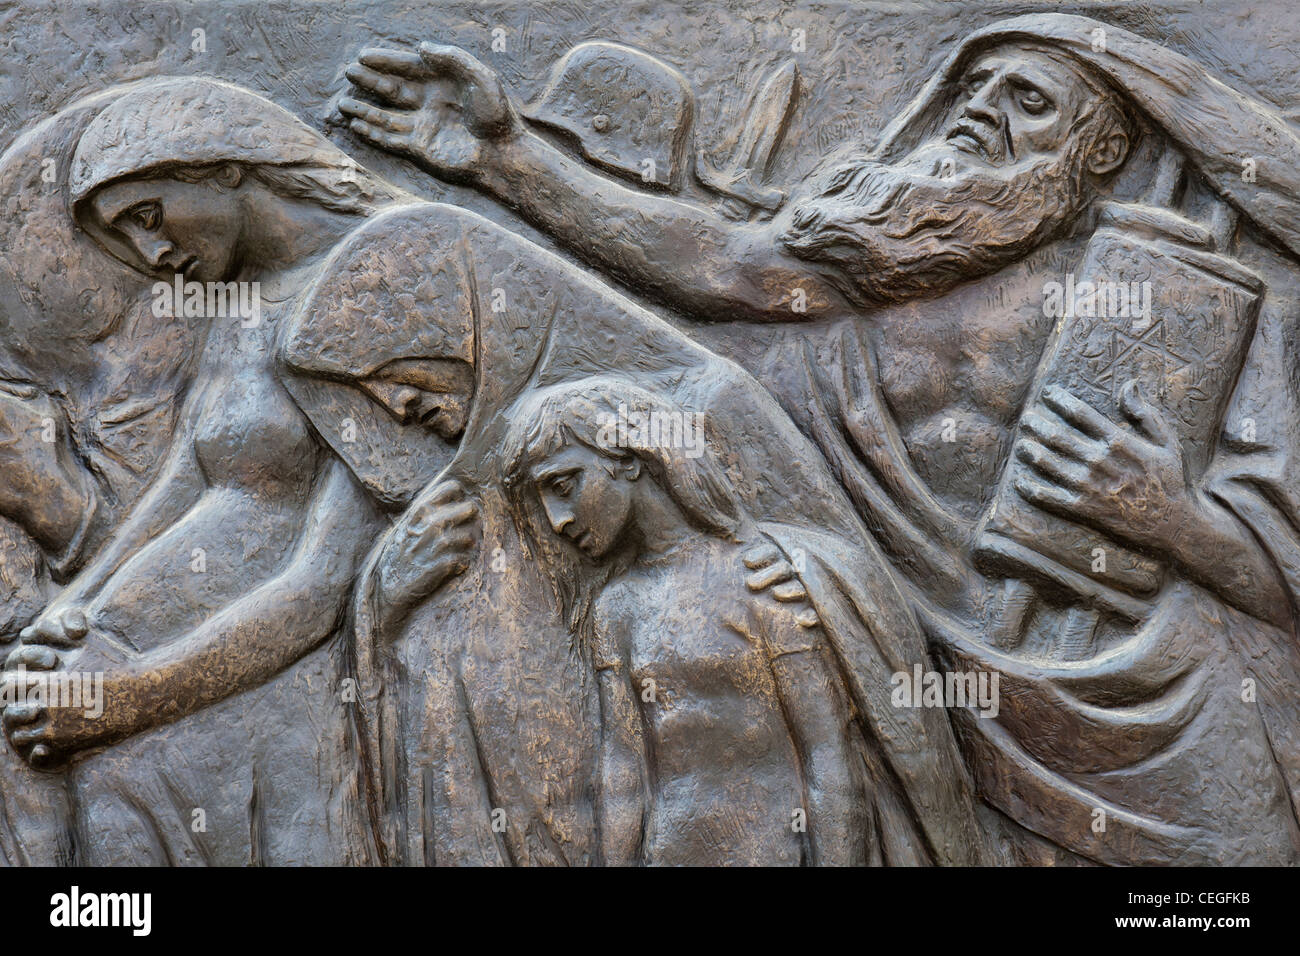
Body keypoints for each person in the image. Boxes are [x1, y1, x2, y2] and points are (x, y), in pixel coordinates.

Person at [500, 376, 937, 865]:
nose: (557, 519)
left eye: (563, 485)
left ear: (625, 458)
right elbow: (623, 773)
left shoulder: (762, 579)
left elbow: (828, 757)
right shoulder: (615, 609)